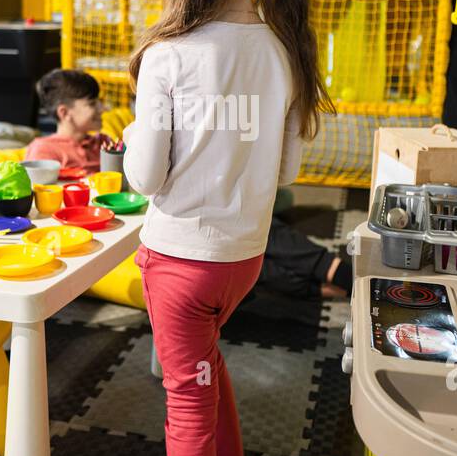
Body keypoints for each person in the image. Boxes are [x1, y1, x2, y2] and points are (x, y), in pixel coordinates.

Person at [119, 0, 336, 456]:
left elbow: (146, 178)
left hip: (177, 262)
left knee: (185, 399)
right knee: (208, 366)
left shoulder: (168, 55)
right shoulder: (282, 51)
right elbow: (287, 175)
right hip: (243, 261)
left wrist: (131, 140)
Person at [27, 66, 353, 297]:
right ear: (64, 112)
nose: (100, 108)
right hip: (118, 234)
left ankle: (330, 274)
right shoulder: (45, 152)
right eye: (91, 104)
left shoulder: (100, 140)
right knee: (221, 253)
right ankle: (322, 283)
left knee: (242, 232)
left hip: (143, 213)